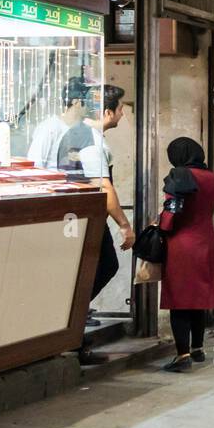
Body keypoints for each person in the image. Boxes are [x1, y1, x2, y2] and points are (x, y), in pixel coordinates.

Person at [159, 138, 214, 372]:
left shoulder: (180, 175)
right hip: (206, 240)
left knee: (180, 301)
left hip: (182, 244)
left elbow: (172, 208)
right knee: (198, 299)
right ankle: (198, 348)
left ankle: (182, 355)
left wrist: (161, 227)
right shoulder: (212, 178)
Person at [79, 84, 133, 329]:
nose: (123, 113)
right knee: (106, 265)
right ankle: (74, 315)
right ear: (108, 112)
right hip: (87, 216)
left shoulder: (87, 136)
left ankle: (75, 317)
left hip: (84, 216)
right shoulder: (91, 143)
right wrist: (124, 224)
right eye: (120, 108)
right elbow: (104, 186)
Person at [27, 77, 92, 170]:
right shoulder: (50, 127)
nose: (91, 107)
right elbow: (35, 165)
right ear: (76, 102)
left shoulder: (83, 128)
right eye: (88, 101)